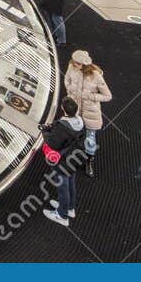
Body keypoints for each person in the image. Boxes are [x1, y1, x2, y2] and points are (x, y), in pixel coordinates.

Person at [40, 97, 84, 227]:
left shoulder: (63, 126)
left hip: (63, 162)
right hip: (74, 159)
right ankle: (70, 208)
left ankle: (62, 215)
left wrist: (44, 131)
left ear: (63, 109)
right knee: (71, 183)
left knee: (63, 187)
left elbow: (53, 143)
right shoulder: (80, 123)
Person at [63, 49, 111, 167]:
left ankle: (89, 160)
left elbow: (108, 96)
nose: (75, 65)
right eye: (74, 62)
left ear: (84, 64)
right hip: (75, 109)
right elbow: (67, 79)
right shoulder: (71, 66)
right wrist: (70, 90)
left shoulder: (96, 75)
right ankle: (68, 154)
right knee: (72, 132)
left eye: (78, 63)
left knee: (90, 138)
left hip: (90, 112)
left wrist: (90, 96)